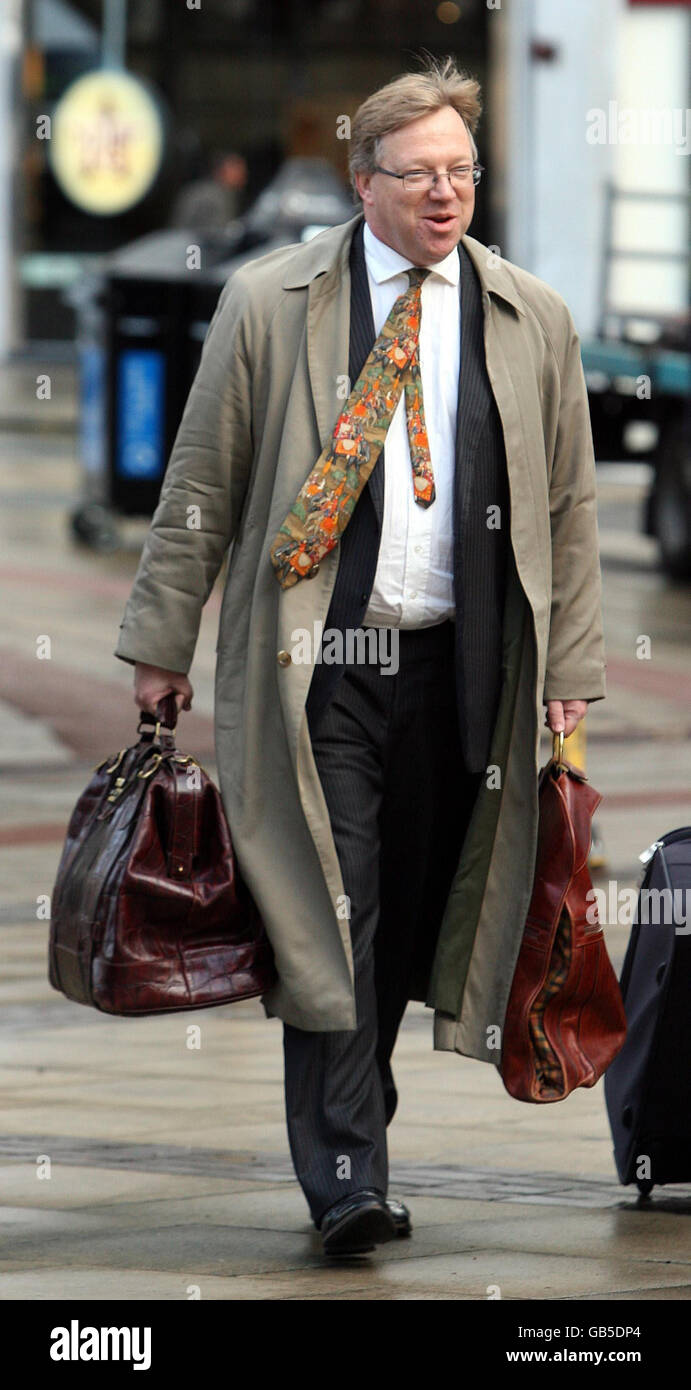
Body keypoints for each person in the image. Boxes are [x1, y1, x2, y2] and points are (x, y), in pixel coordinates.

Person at [115, 56, 606, 1257]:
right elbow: (201, 485)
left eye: (462, 173)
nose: (445, 196)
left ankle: (354, 1121)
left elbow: (571, 511)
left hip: (467, 674)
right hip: (318, 669)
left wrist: (569, 672)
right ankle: (346, 1176)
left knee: (414, 914)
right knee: (331, 918)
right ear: (362, 180)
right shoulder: (269, 300)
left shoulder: (527, 313)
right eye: (419, 174)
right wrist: (158, 643)